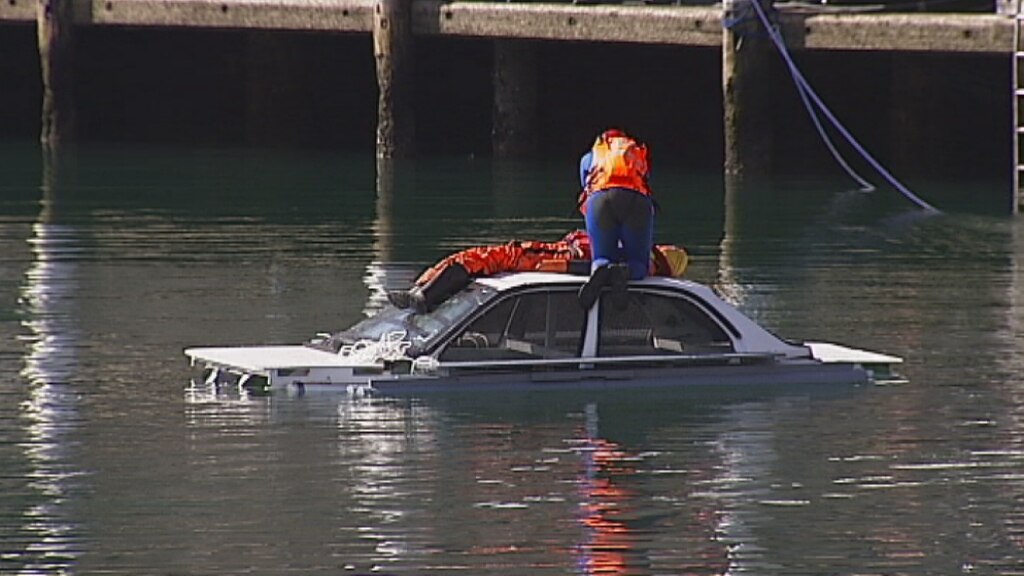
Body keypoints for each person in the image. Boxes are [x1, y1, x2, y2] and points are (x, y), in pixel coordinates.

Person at [387, 230, 688, 313]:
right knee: (480, 258)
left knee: (482, 258)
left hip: (556, 257)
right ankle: (423, 289)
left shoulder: (641, 261)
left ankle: (424, 294)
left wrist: (558, 265)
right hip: (557, 255)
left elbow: (592, 264)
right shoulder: (638, 259)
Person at [576, 128, 655, 310]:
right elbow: (646, 180)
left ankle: (601, 268)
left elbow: (585, 186)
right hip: (636, 199)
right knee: (639, 263)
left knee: (602, 257)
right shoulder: (636, 154)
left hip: (600, 199)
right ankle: (624, 271)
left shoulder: (591, 156)